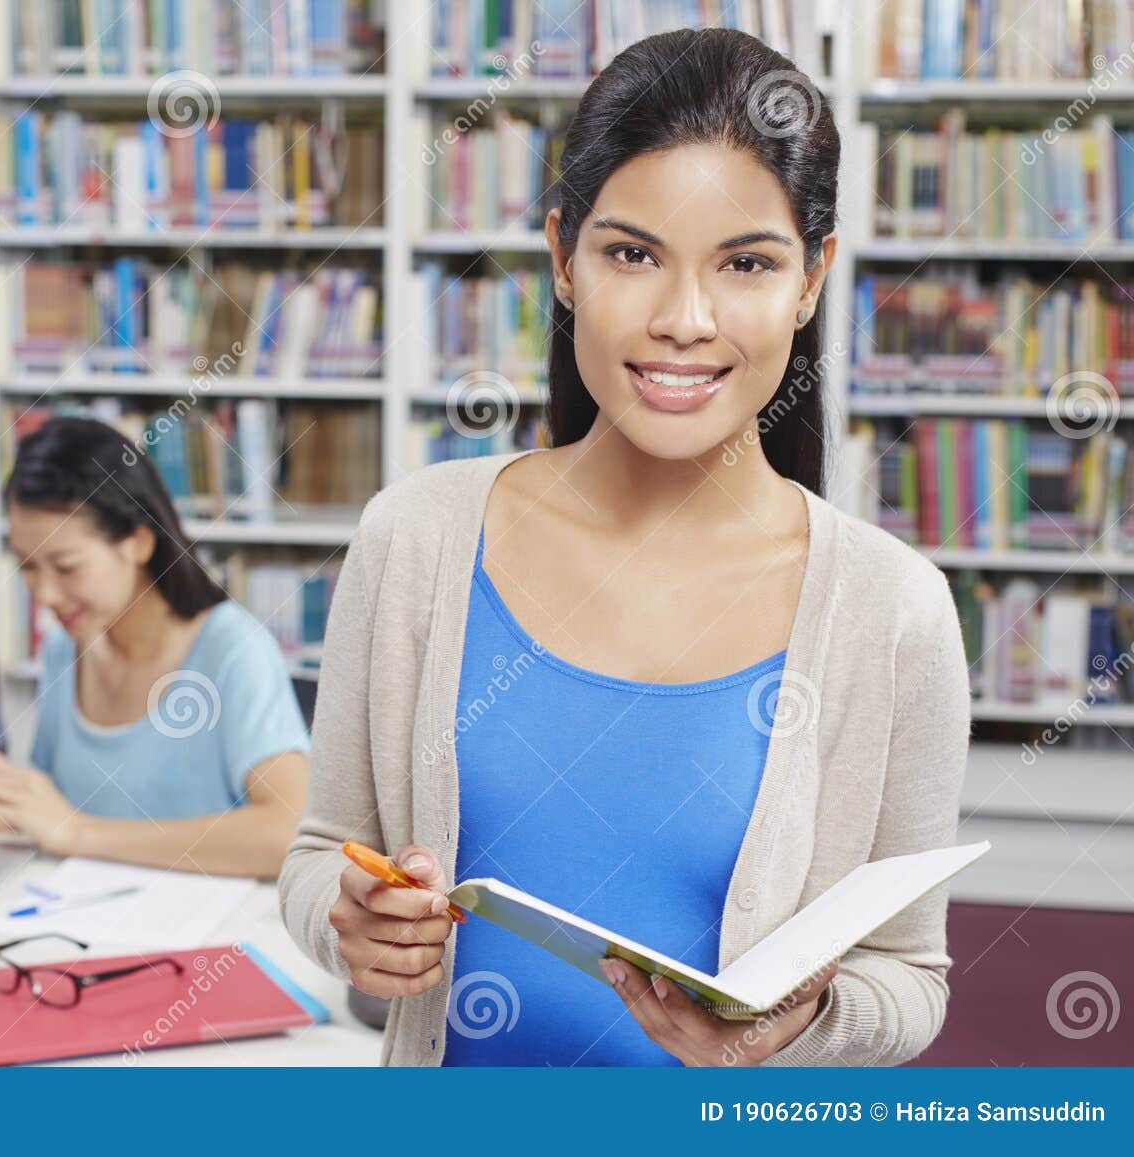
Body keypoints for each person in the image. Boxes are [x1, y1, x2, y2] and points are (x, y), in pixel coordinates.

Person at [279, 28, 971, 1066]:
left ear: (811, 279)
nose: (683, 318)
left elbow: (909, 977)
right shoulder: (413, 538)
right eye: (631, 253)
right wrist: (350, 920)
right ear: (562, 257)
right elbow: (316, 854)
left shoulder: (893, 611)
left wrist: (803, 1023)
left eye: (745, 263)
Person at [0, 416, 310, 879]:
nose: (45, 595)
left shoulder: (233, 650)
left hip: (205, 936)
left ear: (137, 542)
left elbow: (288, 832)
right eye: (28, 567)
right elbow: (54, 816)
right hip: (81, 925)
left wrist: (81, 833)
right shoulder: (66, 648)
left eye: (67, 566)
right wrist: (15, 813)